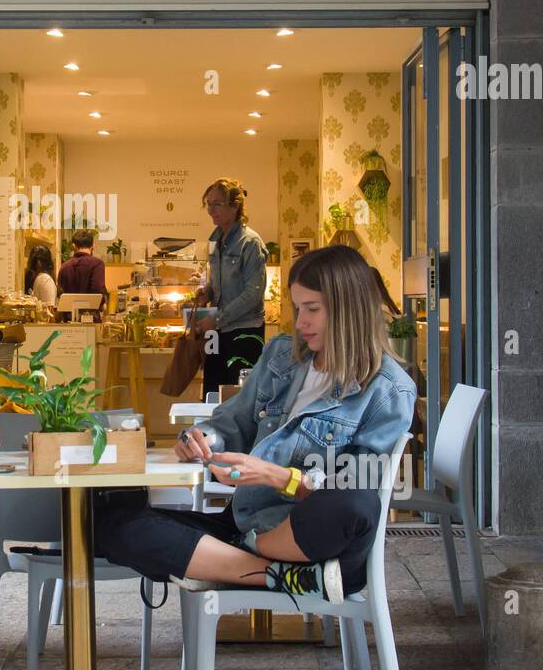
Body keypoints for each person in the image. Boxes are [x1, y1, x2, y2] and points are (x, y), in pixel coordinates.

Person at [95, 245, 417, 605]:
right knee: (108, 519)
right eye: (297, 309)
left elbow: (355, 484)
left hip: (318, 543)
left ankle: (222, 564)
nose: (300, 323)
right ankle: (278, 576)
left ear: (348, 310)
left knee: (351, 503)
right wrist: (201, 438)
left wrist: (274, 475)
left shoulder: (389, 390)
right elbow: (230, 422)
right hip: (247, 527)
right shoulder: (282, 355)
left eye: (312, 310)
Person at [194, 177, 269, 397]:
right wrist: (207, 292)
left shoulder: (251, 243)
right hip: (215, 333)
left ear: (235, 205)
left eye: (217, 203)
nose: (211, 210)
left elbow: (253, 294)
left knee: (239, 396)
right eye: (208, 204)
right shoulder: (215, 241)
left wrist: (216, 318)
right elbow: (218, 282)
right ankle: (209, 433)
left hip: (244, 332)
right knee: (212, 391)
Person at [56, 229, 107, 319]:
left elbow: (60, 292)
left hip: (68, 319)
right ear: (93, 246)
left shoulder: (64, 266)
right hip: (90, 319)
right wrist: (103, 303)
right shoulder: (97, 264)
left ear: (73, 246)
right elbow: (97, 289)